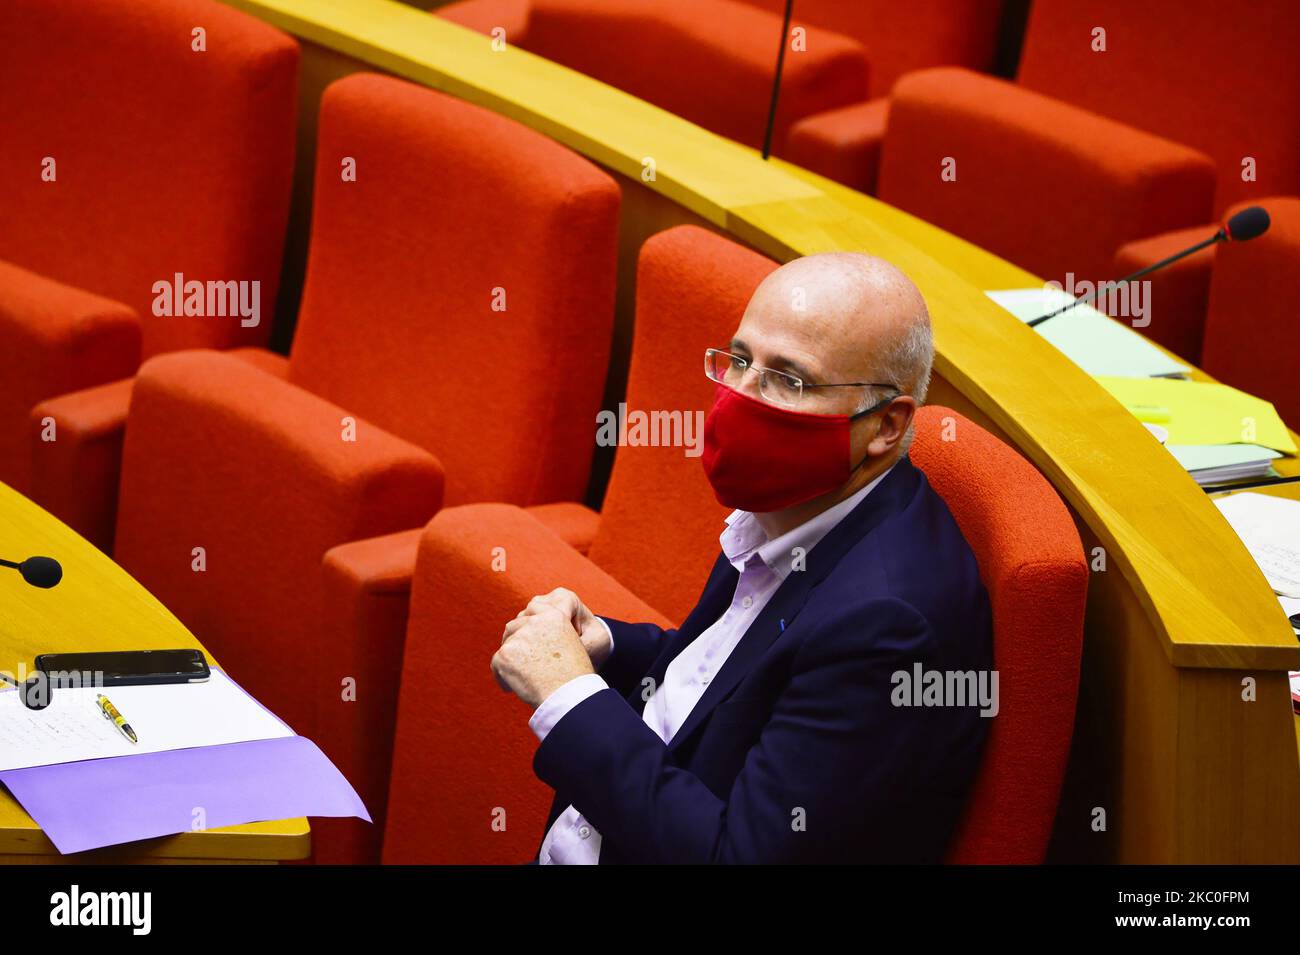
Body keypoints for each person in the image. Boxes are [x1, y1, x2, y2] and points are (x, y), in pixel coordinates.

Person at [491, 252, 994, 863]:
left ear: (886, 425)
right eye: (738, 360)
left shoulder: (888, 627)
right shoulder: (796, 509)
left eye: (789, 379)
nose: (740, 398)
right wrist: (610, 647)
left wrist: (569, 697)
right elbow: (736, 680)